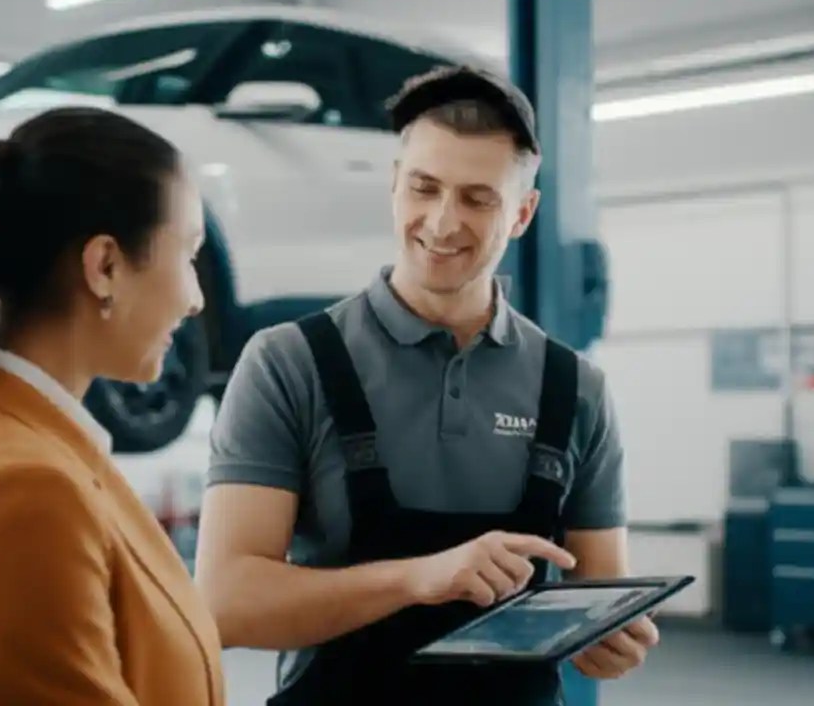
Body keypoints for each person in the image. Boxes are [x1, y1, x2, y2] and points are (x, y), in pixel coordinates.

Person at [196, 65, 658, 706]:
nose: (442, 223)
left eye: (477, 198)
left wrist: (611, 643)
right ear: (393, 187)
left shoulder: (575, 389)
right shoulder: (289, 363)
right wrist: (421, 579)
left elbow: (600, 605)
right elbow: (226, 605)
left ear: (522, 212)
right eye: (424, 188)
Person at [0, 107, 223, 705]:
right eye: (187, 255)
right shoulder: (19, 491)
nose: (195, 299)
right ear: (104, 266)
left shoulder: (10, 443)